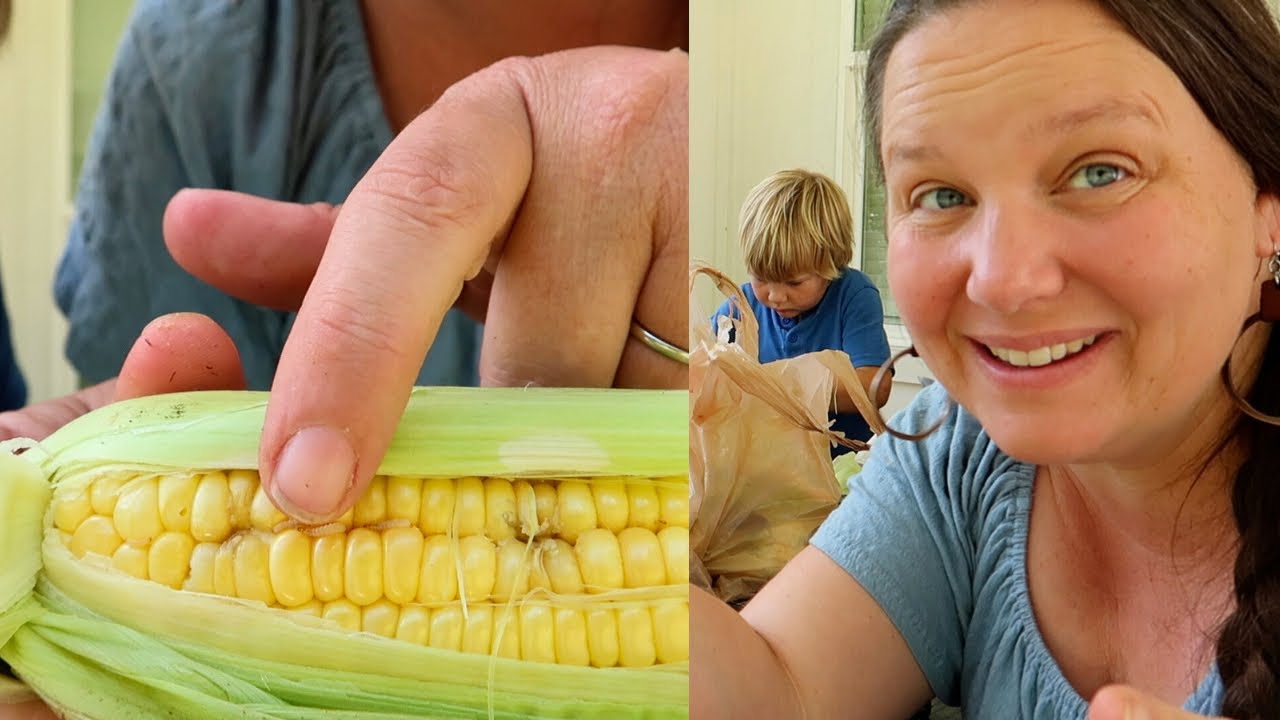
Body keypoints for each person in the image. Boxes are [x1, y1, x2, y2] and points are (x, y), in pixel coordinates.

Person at [691, 0, 1280, 719]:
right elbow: (781, 690)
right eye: (941, 195)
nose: (1000, 279)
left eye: (1099, 172)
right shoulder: (957, 448)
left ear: (1267, 200)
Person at [711, 169, 891, 454]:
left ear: (832, 266)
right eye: (760, 278)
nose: (776, 295)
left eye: (794, 282)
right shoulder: (739, 309)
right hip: (763, 465)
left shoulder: (854, 295)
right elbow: (704, 375)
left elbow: (874, 389)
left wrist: (781, 385)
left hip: (840, 469)